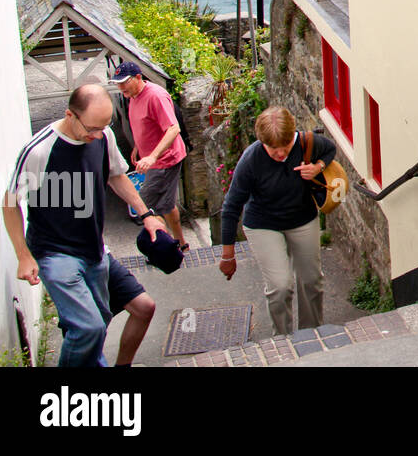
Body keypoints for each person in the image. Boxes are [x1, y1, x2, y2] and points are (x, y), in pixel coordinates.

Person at [2, 83, 166, 367]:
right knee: (88, 327)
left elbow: (116, 176)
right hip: (54, 253)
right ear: (70, 115)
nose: (97, 135)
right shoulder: (40, 151)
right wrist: (23, 255)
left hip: (94, 249)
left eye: (103, 127)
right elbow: (9, 202)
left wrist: (146, 214)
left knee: (99, 322)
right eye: (91, 128)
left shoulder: (103, 137)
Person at [218, 106, 333, 335]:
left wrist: (317, 167)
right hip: (264, 224)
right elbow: (231, 208)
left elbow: (329, 150)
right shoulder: (251, 161)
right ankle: (283, 339)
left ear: (293, 136)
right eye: (273, 149)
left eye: (285, 147)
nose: (281, 154)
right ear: (262, 142)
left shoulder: (306, 142)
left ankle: (311, 334)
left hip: (302, 218)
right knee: (280, 287)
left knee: (311, 281)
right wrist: (227, 255)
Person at [111, 61, 190, 253]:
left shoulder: (155, 96)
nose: (120, 87)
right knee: (167, 204)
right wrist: (138, 146)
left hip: (165, 160)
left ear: (139, 78)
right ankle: (180, 244)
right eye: (118, 83)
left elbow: (173, 129)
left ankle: (163, 252)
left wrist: (152, 157)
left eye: (124, 82)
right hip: (155, 159)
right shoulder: (133, 95)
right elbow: (146, 124)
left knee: (145, 208)